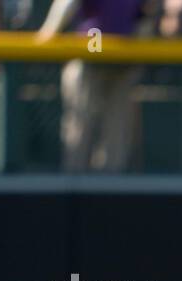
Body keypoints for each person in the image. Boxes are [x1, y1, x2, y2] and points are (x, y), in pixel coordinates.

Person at [37, 0, 146, 172]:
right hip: (92, 49)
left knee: (115, 129)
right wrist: (49, 30)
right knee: (81, 125)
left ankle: (109, 187)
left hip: (123, 54)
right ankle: (73, 184)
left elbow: (143, 14)